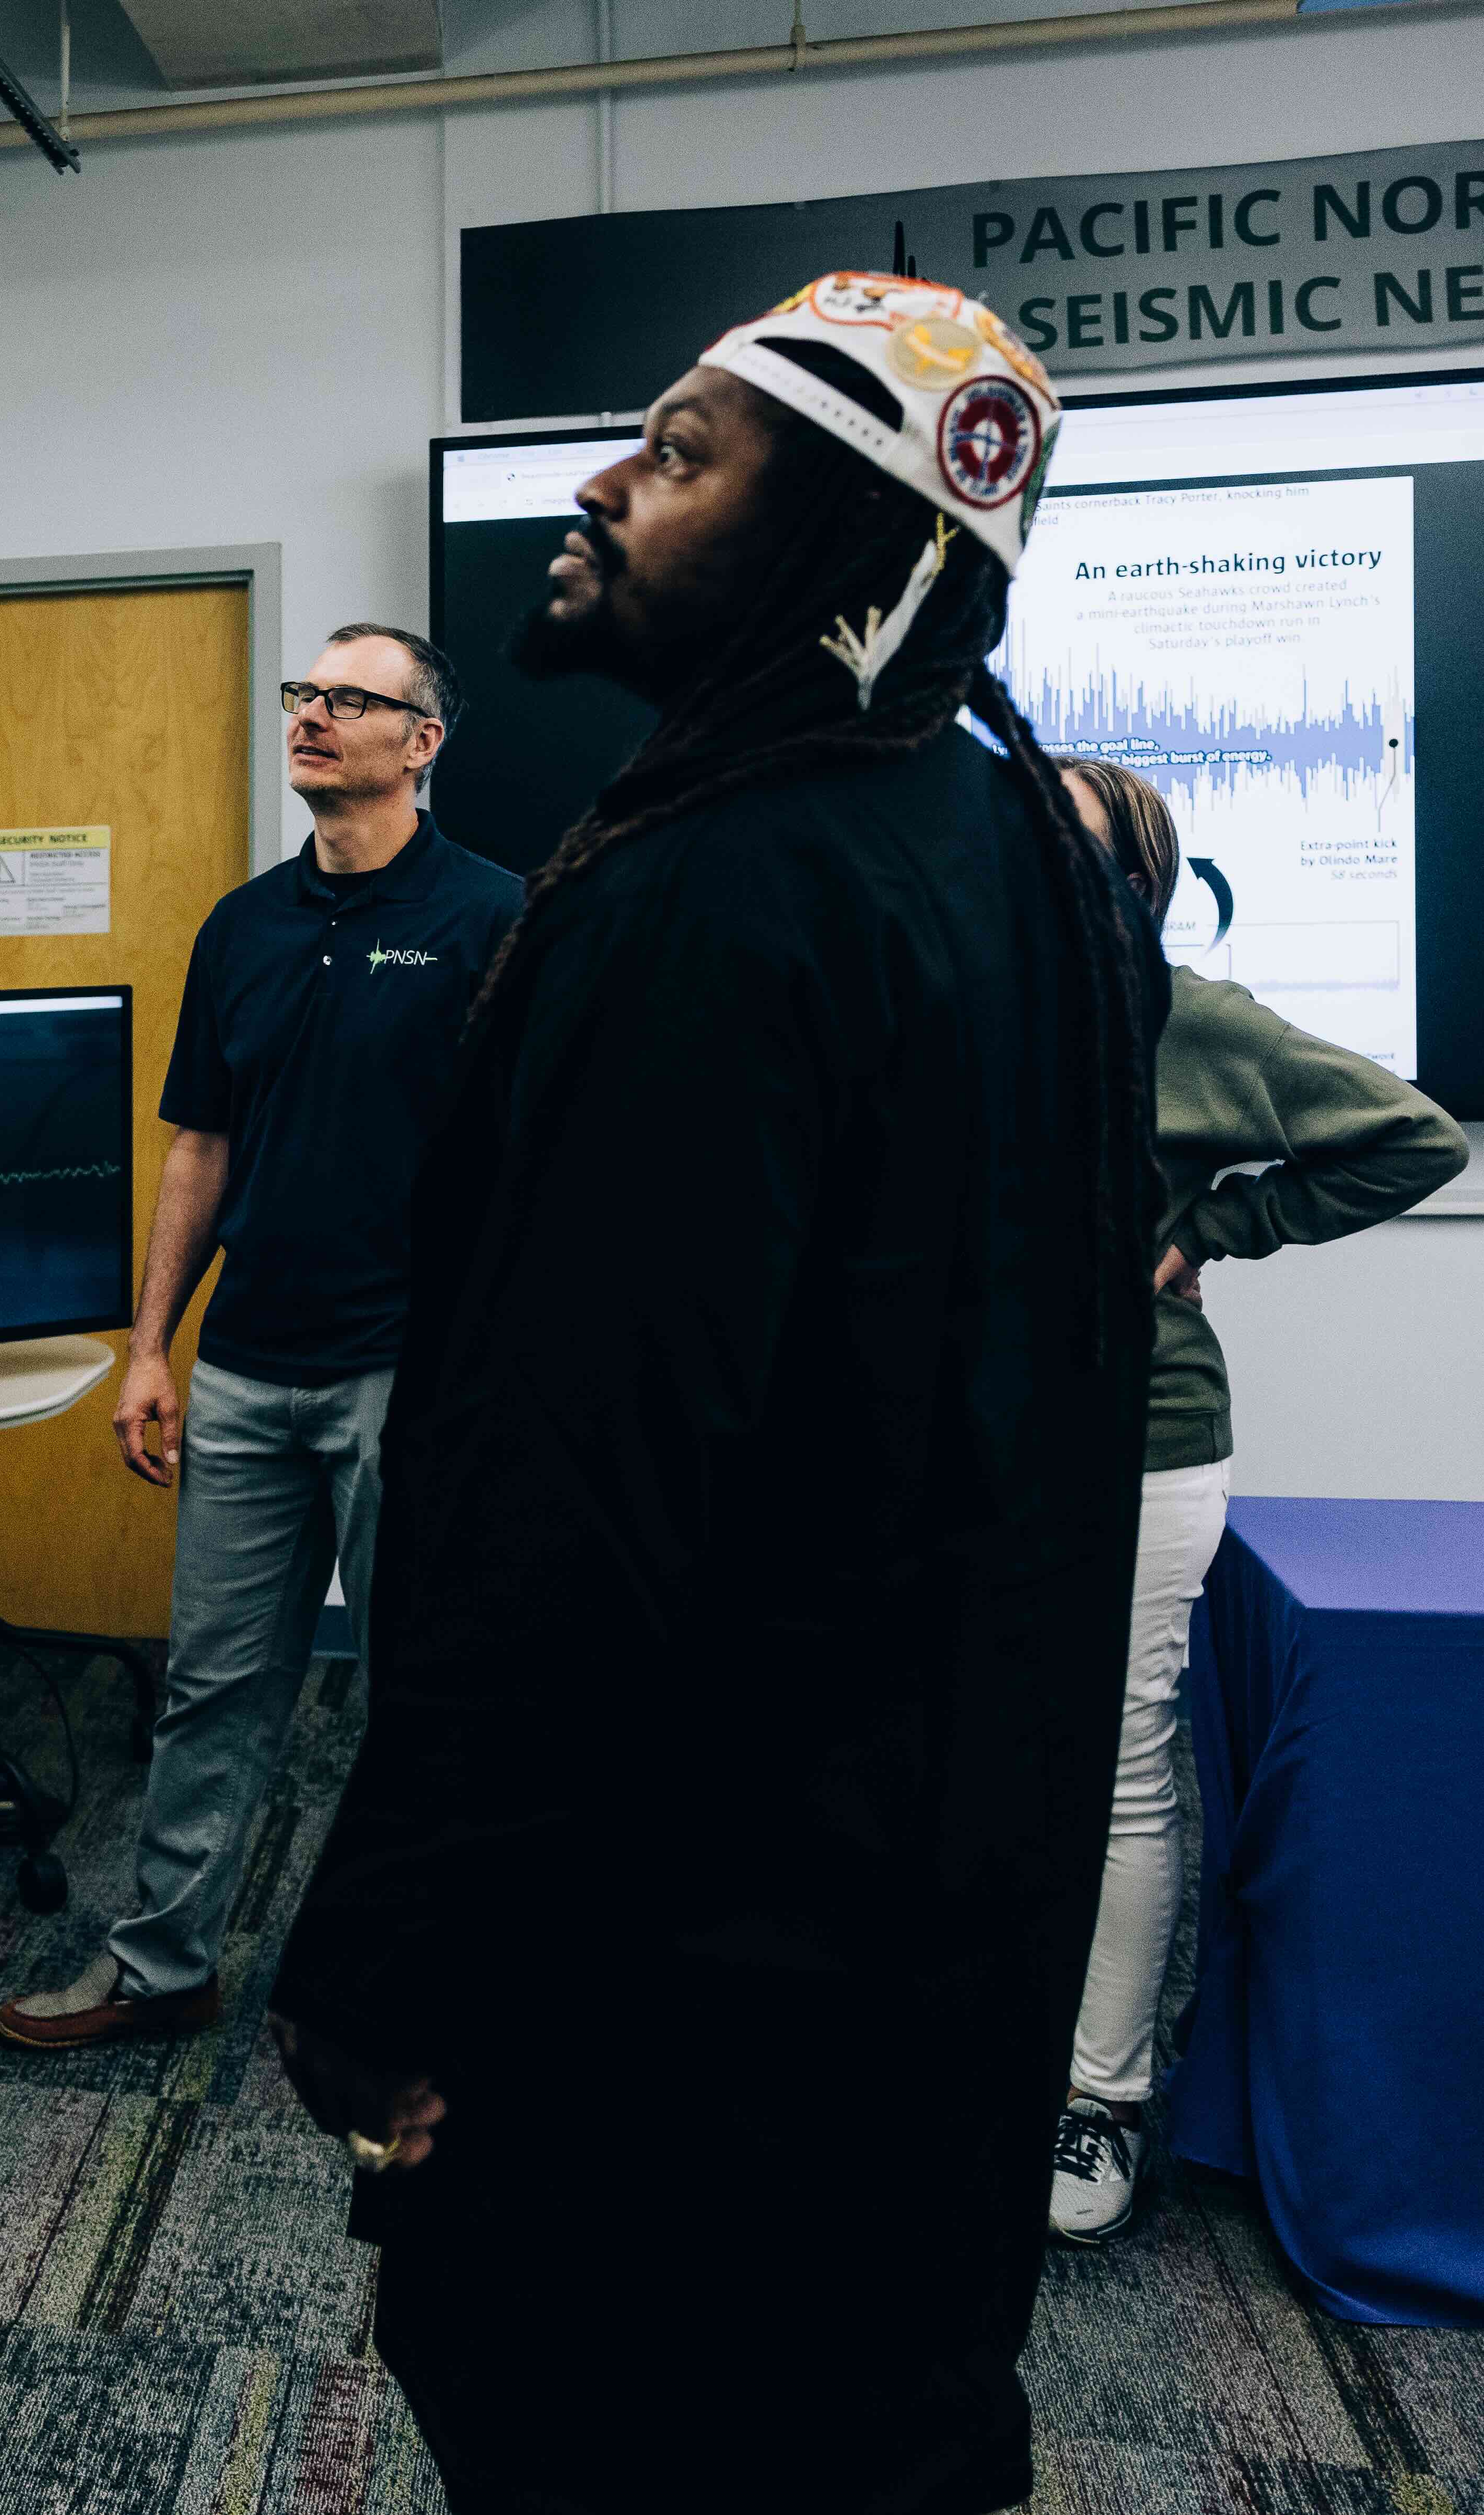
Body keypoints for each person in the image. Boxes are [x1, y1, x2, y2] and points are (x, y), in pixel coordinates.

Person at [261, 274, 1164, 2514]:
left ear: (848, 546)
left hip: (671, 1997)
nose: (592, 483)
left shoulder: (712, 897)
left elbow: (559, 1500)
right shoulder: (1020, 853)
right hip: (919, 1961)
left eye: (675, 454)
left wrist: (380, 1971)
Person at [0, 629, 519, 2052]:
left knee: (423, 1698)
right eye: (303, 693)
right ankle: (163, 1967)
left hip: (405, 1375)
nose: (313, 715)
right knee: (215, 1690)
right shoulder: (244, 924)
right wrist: (152, 1343)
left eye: (352, 700)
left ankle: (424, 1991)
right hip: (243, 1371)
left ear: (421, 742)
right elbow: (198, 1147)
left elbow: (534, 1161)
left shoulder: (491, 918)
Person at [1039, 754, 1467, 2246]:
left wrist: (1224, 1221)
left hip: (1134, 1439)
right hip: (936, 1445)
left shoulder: (1191, 1022)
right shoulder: (928, 1007)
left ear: (1127, 879)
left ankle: (1098, 2097)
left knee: (1111, 1766)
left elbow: (1409, 1135)